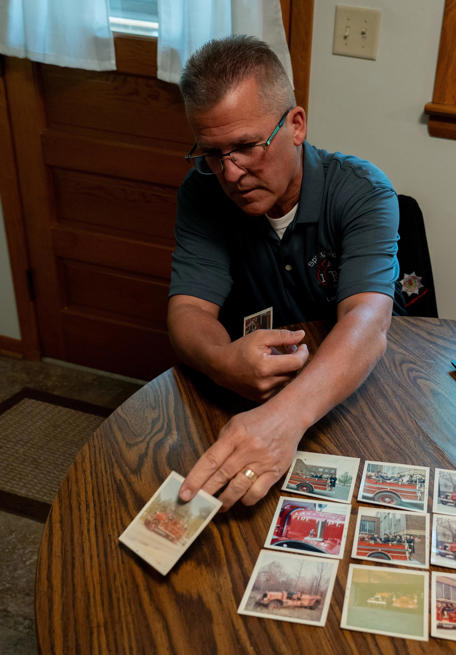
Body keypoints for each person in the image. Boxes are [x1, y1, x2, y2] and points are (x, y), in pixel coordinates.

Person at [169, 36, 403, 511]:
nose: (230, 173)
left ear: (296, 125)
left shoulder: (364, 192)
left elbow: (368, 321)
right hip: (243, 395)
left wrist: (282, 420)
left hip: (341, 397)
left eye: (246, 147)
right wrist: (221, 360)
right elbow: (189, 309)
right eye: (212, 153)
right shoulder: (203, 191)